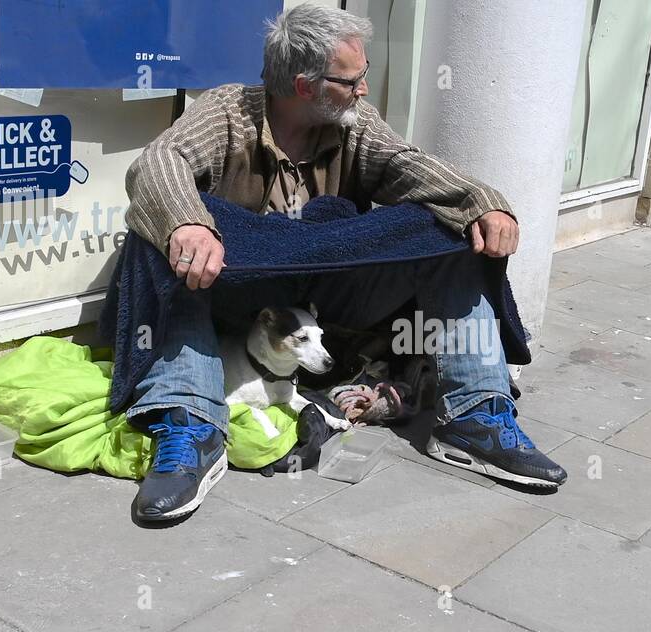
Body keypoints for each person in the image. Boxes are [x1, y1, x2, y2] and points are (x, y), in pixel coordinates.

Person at [120, 3, 567, 523]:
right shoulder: (228, 111)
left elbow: (405, 165)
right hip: (238, 291)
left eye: (365, 75)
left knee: (447, 228)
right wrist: (187, 224)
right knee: (155, 235)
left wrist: (481, 201)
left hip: (328, 297)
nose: (363, 90)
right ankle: (192, 424)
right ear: (305, 85)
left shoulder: (357, 123)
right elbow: (158, 162)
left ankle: (475, 416)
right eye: (351, 80)